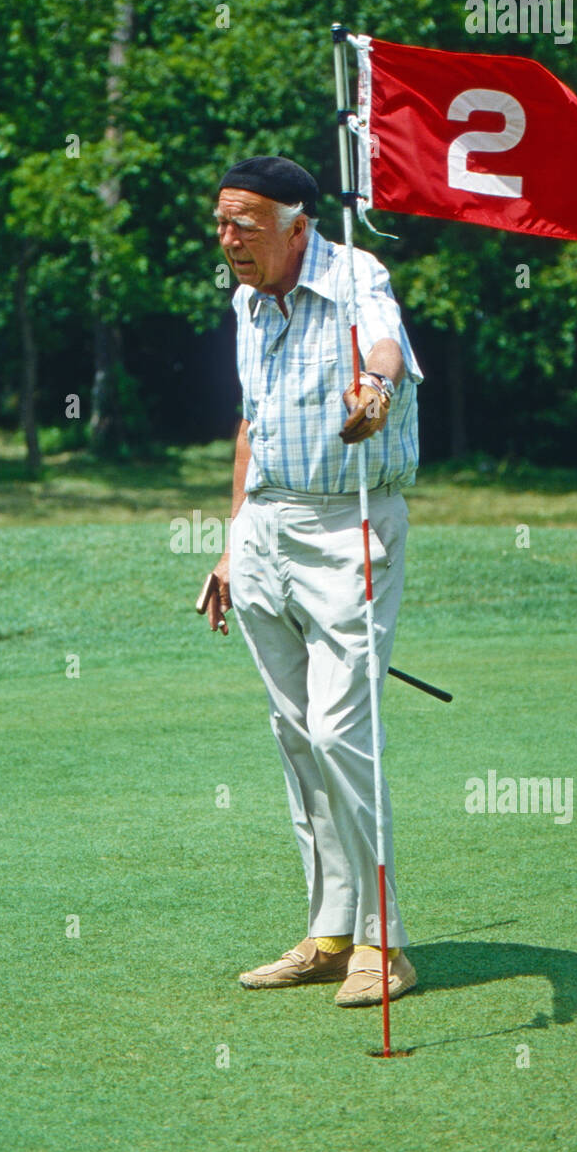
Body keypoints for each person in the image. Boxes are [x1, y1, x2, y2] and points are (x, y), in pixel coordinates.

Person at [203, 156, 423, 1008]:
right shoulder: (244, 301)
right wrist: (232, 543)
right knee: (294, 734)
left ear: (296, 227)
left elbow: (383, 351)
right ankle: (331, 931)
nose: (229, 242)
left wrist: (373, 392)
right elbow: (252, 422)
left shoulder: (359, 273)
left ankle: (385, 942)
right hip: (265, 529)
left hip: (349, 525)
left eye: (245, 227)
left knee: (339, 732)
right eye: (221, 226)